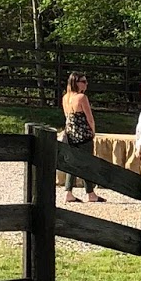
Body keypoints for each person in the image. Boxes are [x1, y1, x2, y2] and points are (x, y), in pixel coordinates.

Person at [58, 71, 102, 205]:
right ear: (75, 83)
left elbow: (67, 117)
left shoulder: (65, 98)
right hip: (83, 135)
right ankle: (90, 193)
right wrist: (93, 132)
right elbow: (90, 118)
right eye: (83, 81)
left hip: (71, 134)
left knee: (73, 163)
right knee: (87, 163)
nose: (86, 84)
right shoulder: (82, 97)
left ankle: (69, 192)